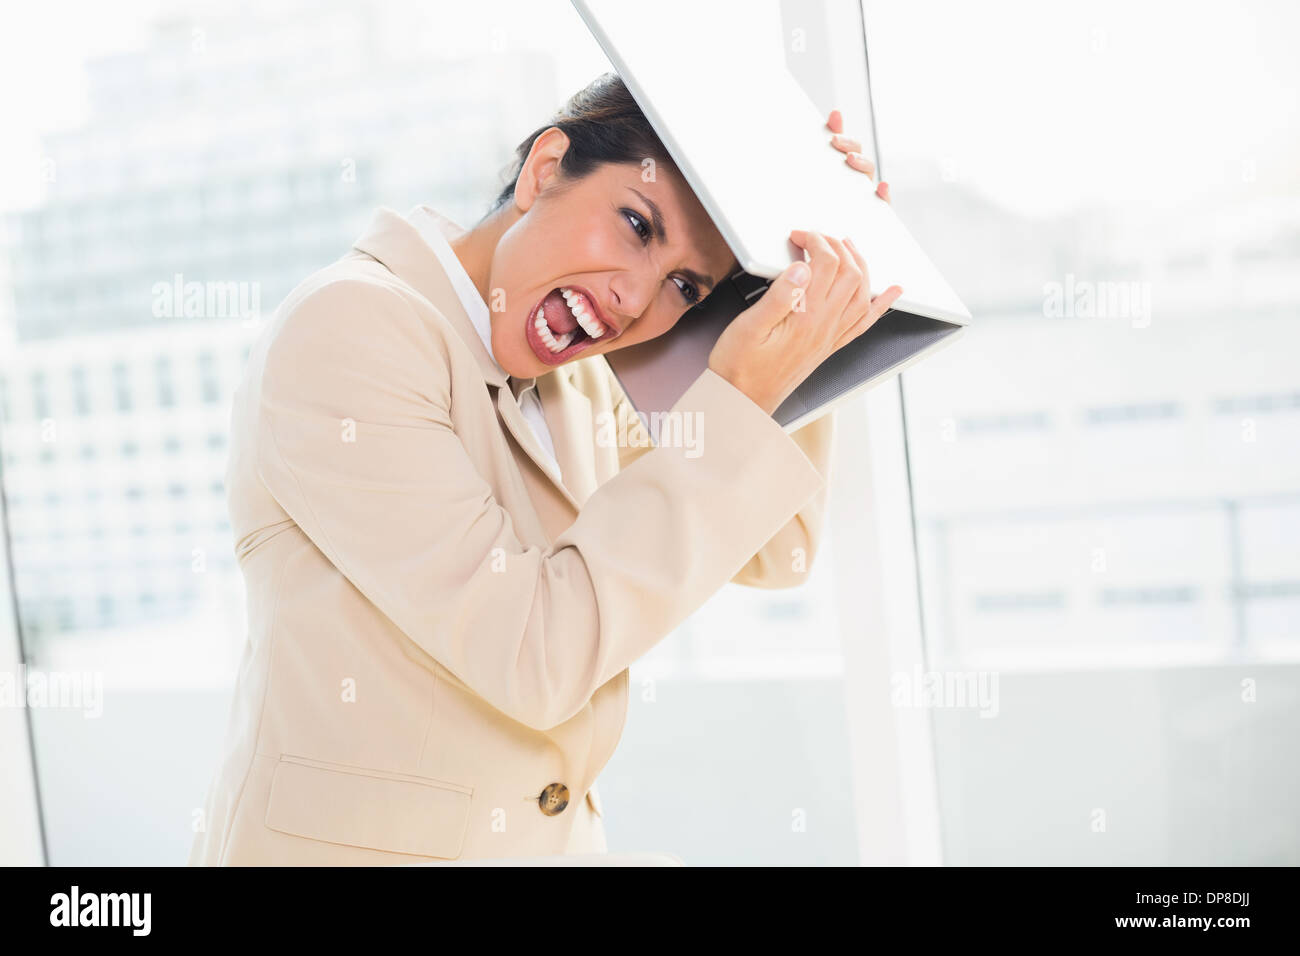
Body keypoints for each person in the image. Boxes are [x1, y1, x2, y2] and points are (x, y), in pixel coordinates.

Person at [188, 72, 900, 865]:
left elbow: (775, 547)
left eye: (685, 286)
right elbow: (532, 652)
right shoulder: (353, 327)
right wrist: (736, 391)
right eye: (637, 224)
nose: (635, 301)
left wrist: (798, 296)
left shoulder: (575, 380)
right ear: (543, 169)